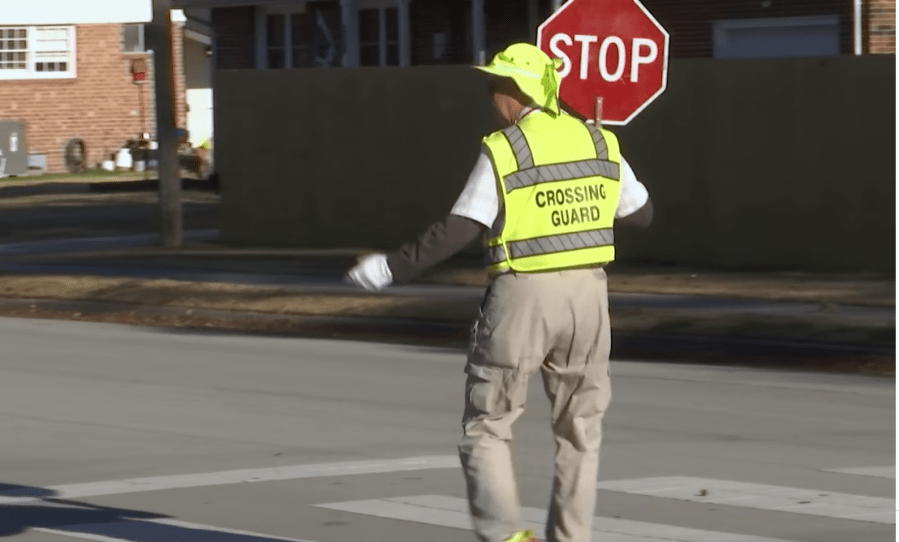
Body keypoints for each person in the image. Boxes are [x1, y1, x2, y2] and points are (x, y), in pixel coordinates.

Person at [346, 43, 653, 542]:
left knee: (488, 425)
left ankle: (506, 536)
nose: (491, 96)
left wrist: (389, 268)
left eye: (496, 86)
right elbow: (641, 212)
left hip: (523, 299)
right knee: (580, 431)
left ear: (515, 94)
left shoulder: (506, 148)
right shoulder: (600, 142)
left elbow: (460, 227)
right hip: (589, 299)